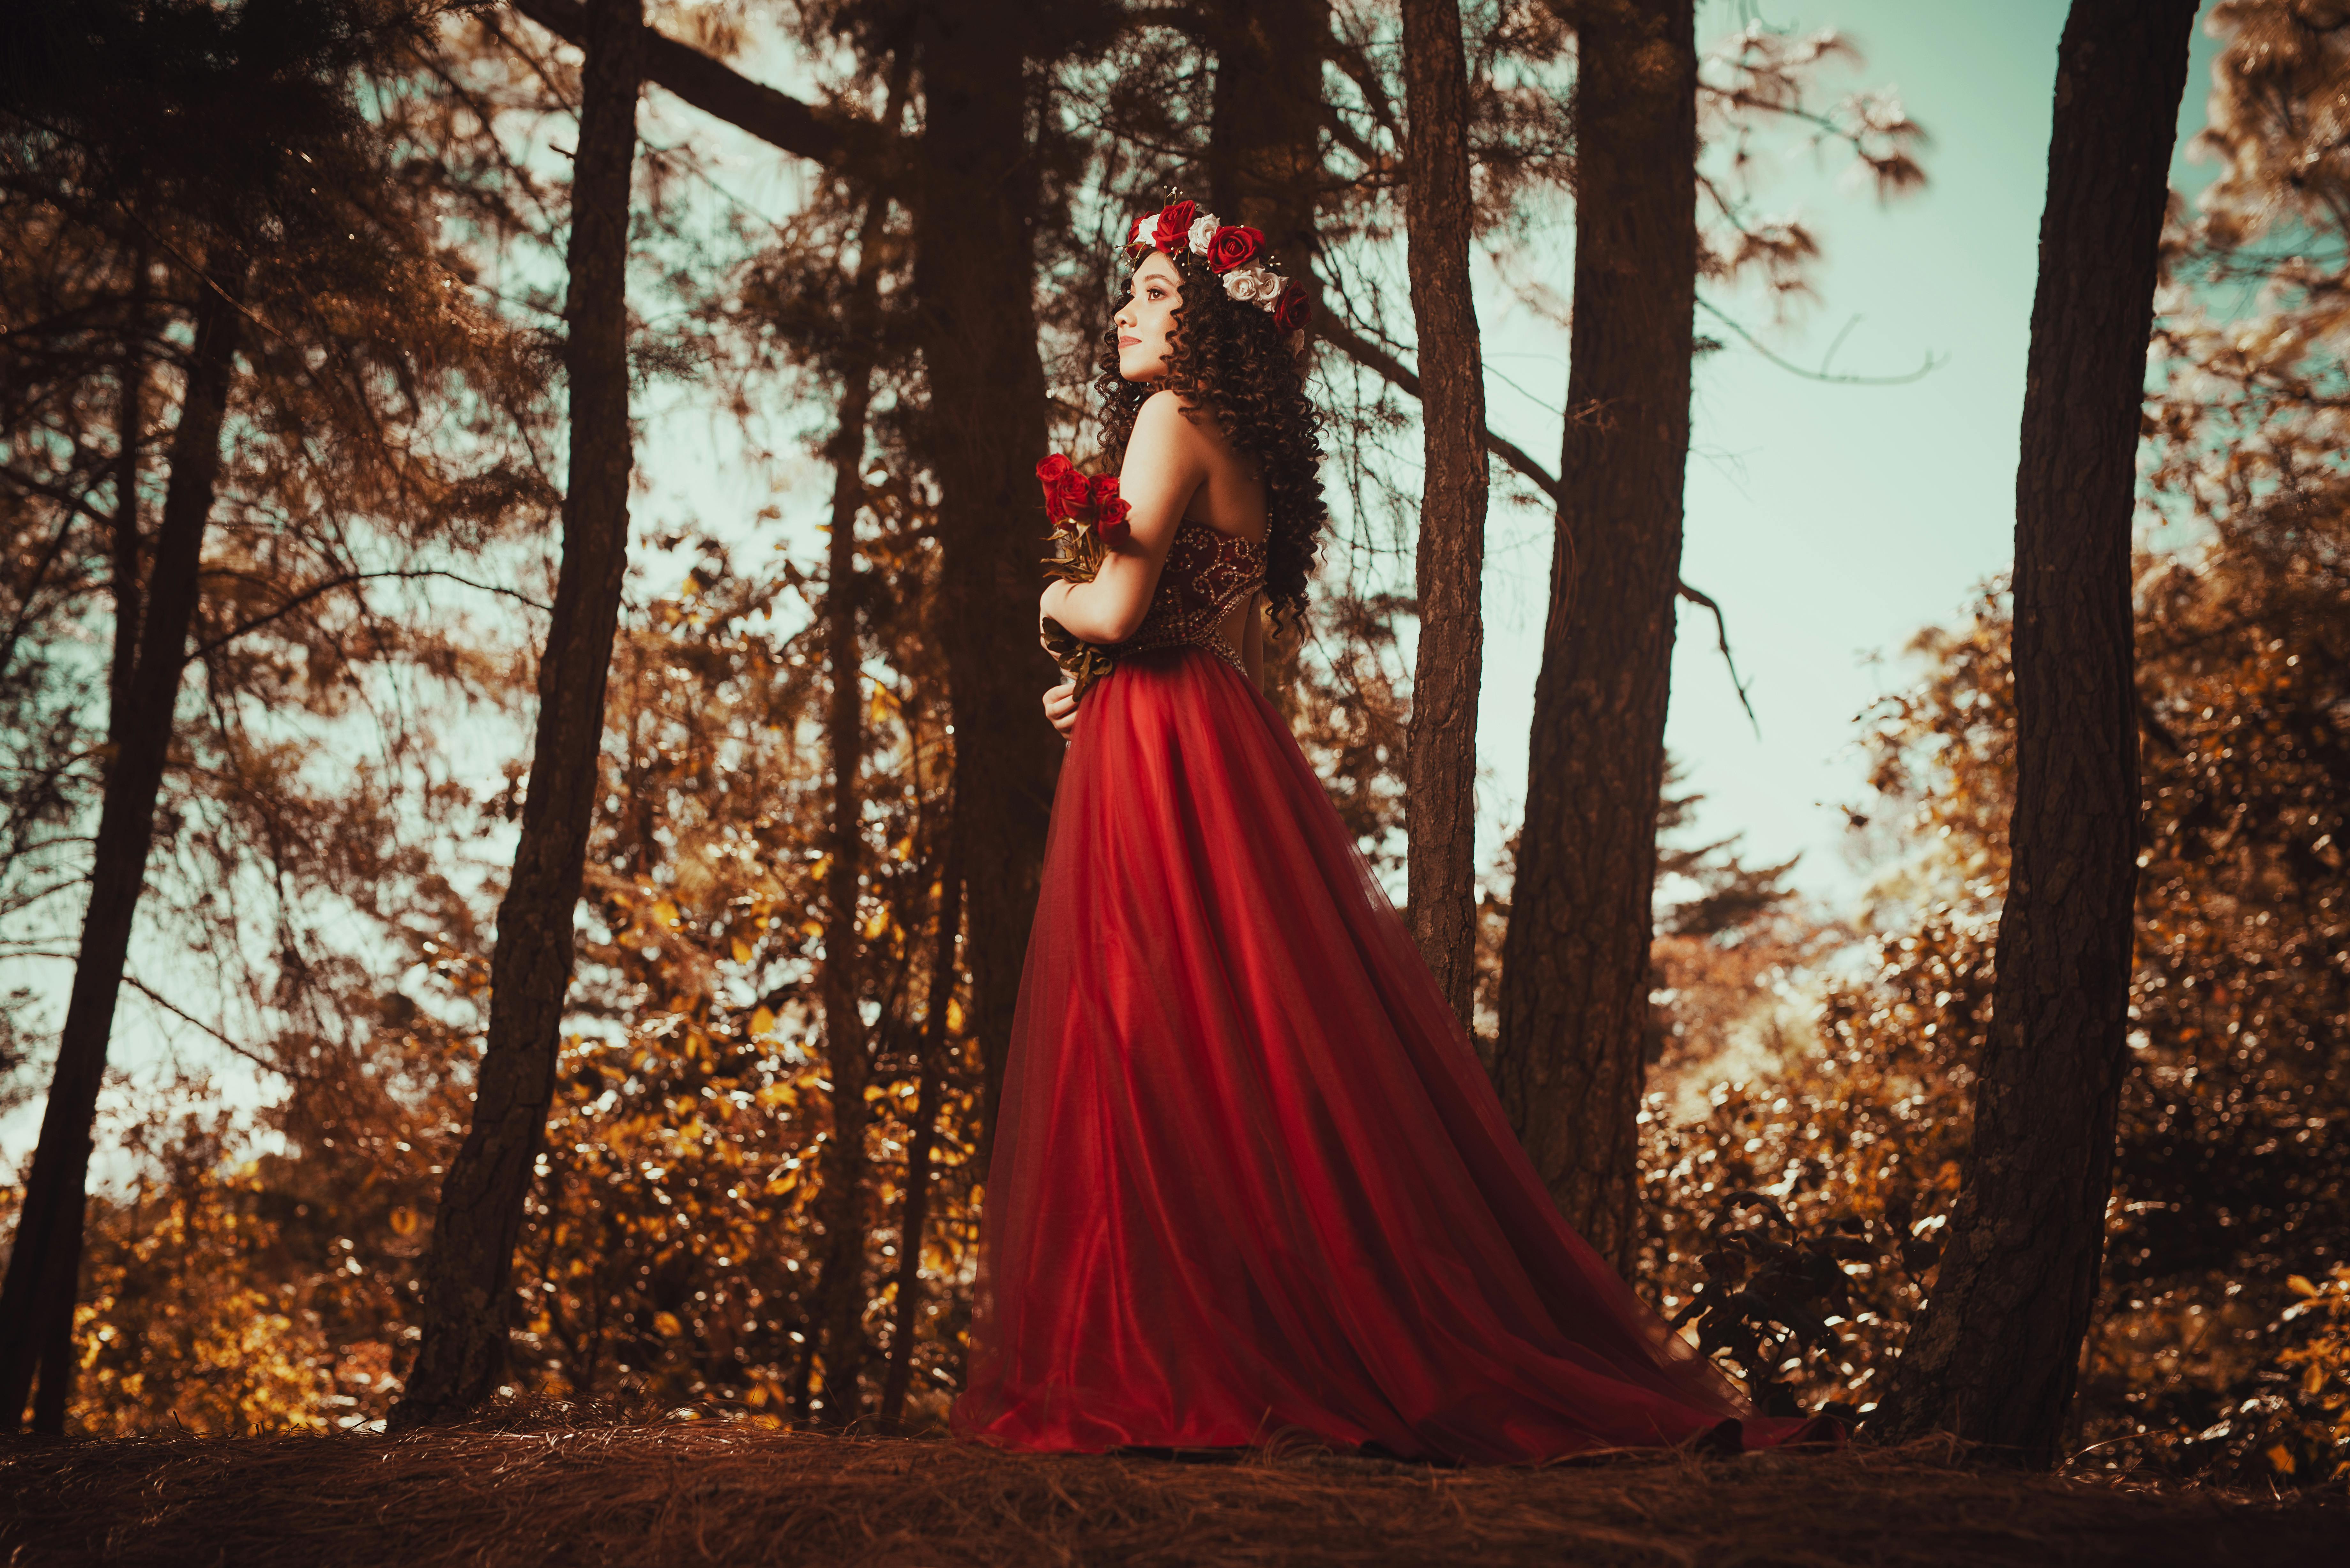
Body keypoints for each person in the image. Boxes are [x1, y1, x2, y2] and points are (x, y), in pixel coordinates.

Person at [949, 200, 1833, 1463]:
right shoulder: (1241, 451)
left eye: (1148, 293)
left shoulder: (1163, 419)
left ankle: (1182, 1353)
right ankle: (1287, 1334)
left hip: (1155, 751)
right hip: (1218, 737)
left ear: (1201, 317)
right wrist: (1092, 666)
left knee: (1149, 1039)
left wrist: (1055, 594)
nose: (1122, 312)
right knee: (1243, 1042)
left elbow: (1124, 602)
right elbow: (1211, 637)